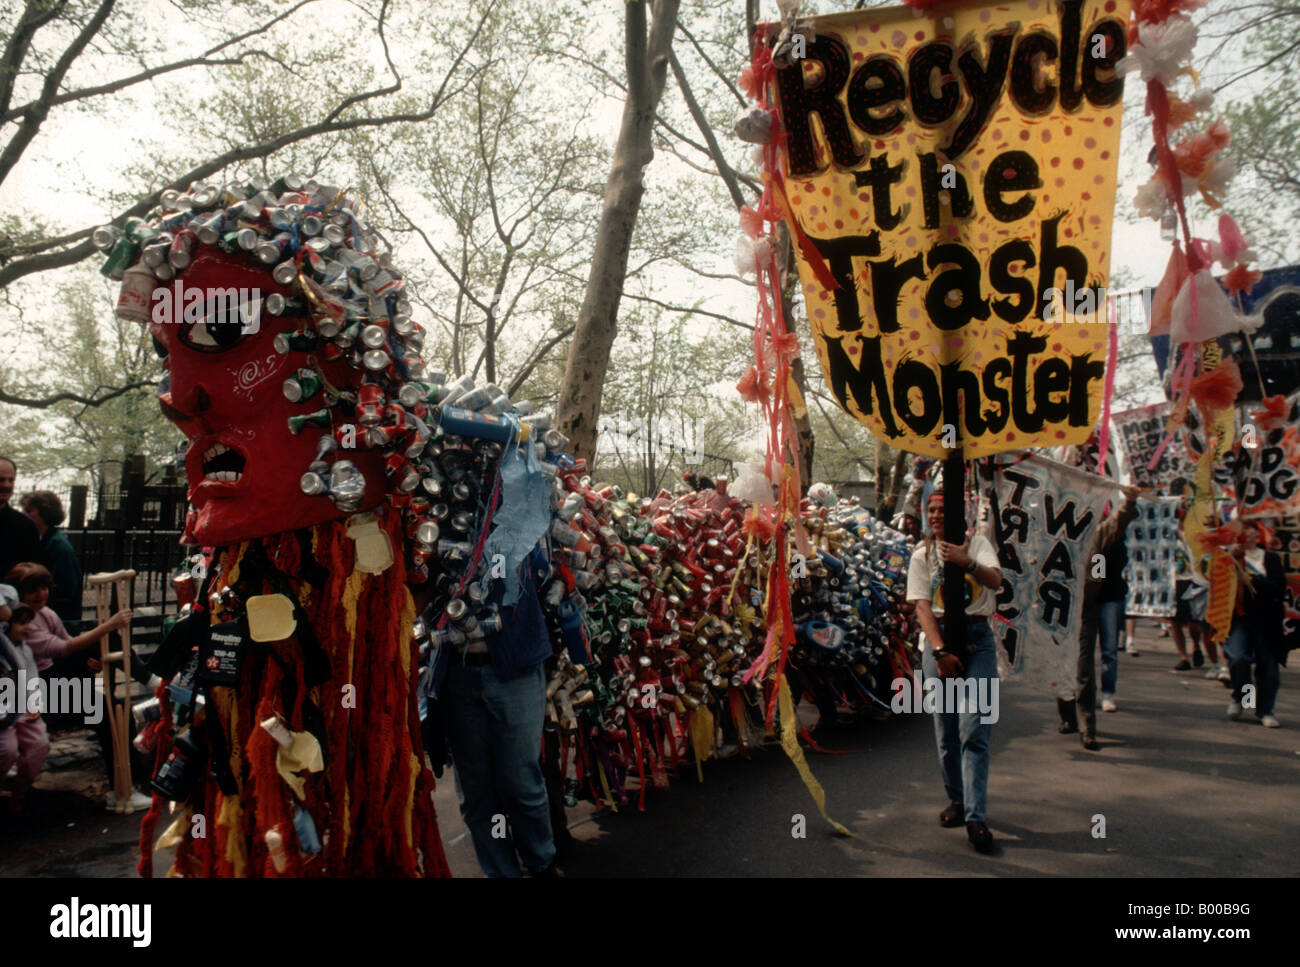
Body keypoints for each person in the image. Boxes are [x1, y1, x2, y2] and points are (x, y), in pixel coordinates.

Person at [437, 544, 560, 877]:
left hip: (515, 665)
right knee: (479, 791)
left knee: (520, 781)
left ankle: (541, 863)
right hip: (458, 674)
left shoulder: (520, 505)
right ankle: (503, 871)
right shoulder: (439, 513)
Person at [907, 489, 1003, 854]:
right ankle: (958, 801)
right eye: (929, 509)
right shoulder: (921, 555)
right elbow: (922, 608)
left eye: (941, 509)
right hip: (939, 641)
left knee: (974, 728)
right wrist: (940, 651)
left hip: (978, 639)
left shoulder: (977, 544)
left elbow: (995, 581)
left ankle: (977, 816)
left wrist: (966, 562)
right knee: (946, 730)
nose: (934, 515)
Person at [5, 562, 146, 809]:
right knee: (107, 711)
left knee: (113, 706)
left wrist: (87, 660)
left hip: (53, 680)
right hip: (34, 689)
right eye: (32, 590)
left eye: (44, 588)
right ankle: (123, 790)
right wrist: (108, 625)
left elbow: (69, 643)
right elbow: (60, 648)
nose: (41, 595)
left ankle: (127, 785)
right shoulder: (22, 621)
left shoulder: (46, 613)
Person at [1059, 485, 1139, 748]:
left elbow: (1119, 521)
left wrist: (1129, 501)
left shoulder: (1098, 534)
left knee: (1083, 668)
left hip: (1086, 609)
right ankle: (1067, 716)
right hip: (1059, 610)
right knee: (1062, 665)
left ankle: (1087, 726)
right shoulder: (1054, 533)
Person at [1224, 519, 1285, 727]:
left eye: (1250, 528)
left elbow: (1277, 585)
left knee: (1267, 666)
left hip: (1266, 620)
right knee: (1239, 659)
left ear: (1257, 534)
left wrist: (1252, 581)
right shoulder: (1227, 557)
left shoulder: (1271, 558)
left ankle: (1265, 710)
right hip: (1239, 618)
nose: (1246, 533)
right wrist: (1230, 560)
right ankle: (1243, 698)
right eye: (1242, 528)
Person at [0, 593, 50, 813]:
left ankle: (20, 791)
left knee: (39, 744)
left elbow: (33, 679)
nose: (26, 628)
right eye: (21, 624)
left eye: (28, 623)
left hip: (23, 708)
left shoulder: (25, 650)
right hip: (4, 712)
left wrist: (35, 703)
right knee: (7, 750)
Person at [20, 490, 83, 627]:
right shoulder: (43, 540)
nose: (23, 515)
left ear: (44, 513)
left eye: (29, 511)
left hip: (60, 620)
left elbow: (65, 589)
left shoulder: (58, 546)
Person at [0, 457, 40, 581]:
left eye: (11, 480)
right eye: (1, 480)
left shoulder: (25, 526)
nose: (7, 485)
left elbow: (31, 574)